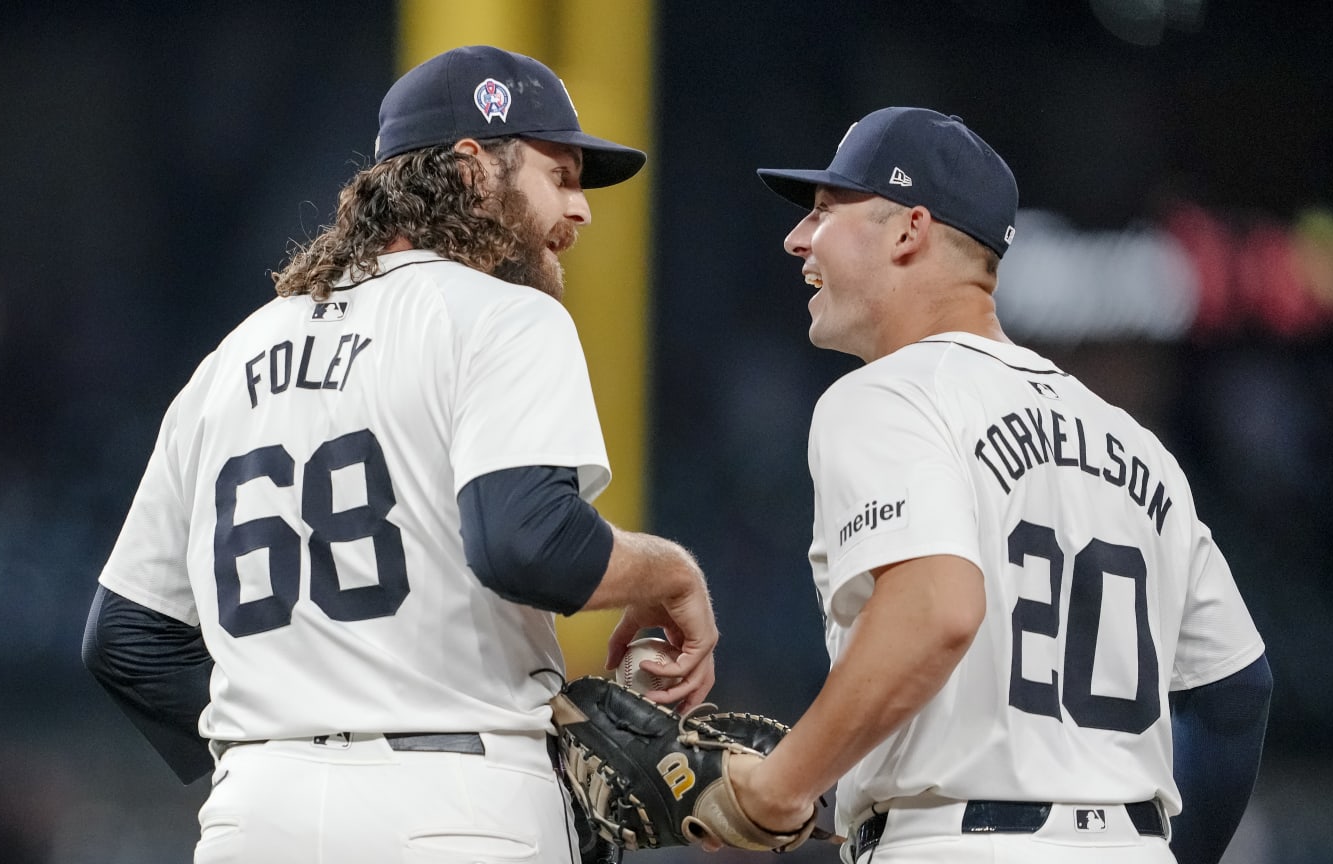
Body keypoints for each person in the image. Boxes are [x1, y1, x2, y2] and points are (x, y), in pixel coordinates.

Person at [81, 45, 717, 864]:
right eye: (559, 174)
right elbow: (527, 542)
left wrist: (286, 737)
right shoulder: (503, 317)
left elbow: (127, 639)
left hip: (254, 819)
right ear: (472, 168)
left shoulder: (229, 360)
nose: (581, 209)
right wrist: (672, 573)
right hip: (453, 807)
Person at [723, 107, 1271, 864]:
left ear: (908, 230)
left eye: (824, 212)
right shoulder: (1137, 447)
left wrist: (780, 785)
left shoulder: (891, 393)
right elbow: (1236, 691)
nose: (799, 240)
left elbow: (936, 609)